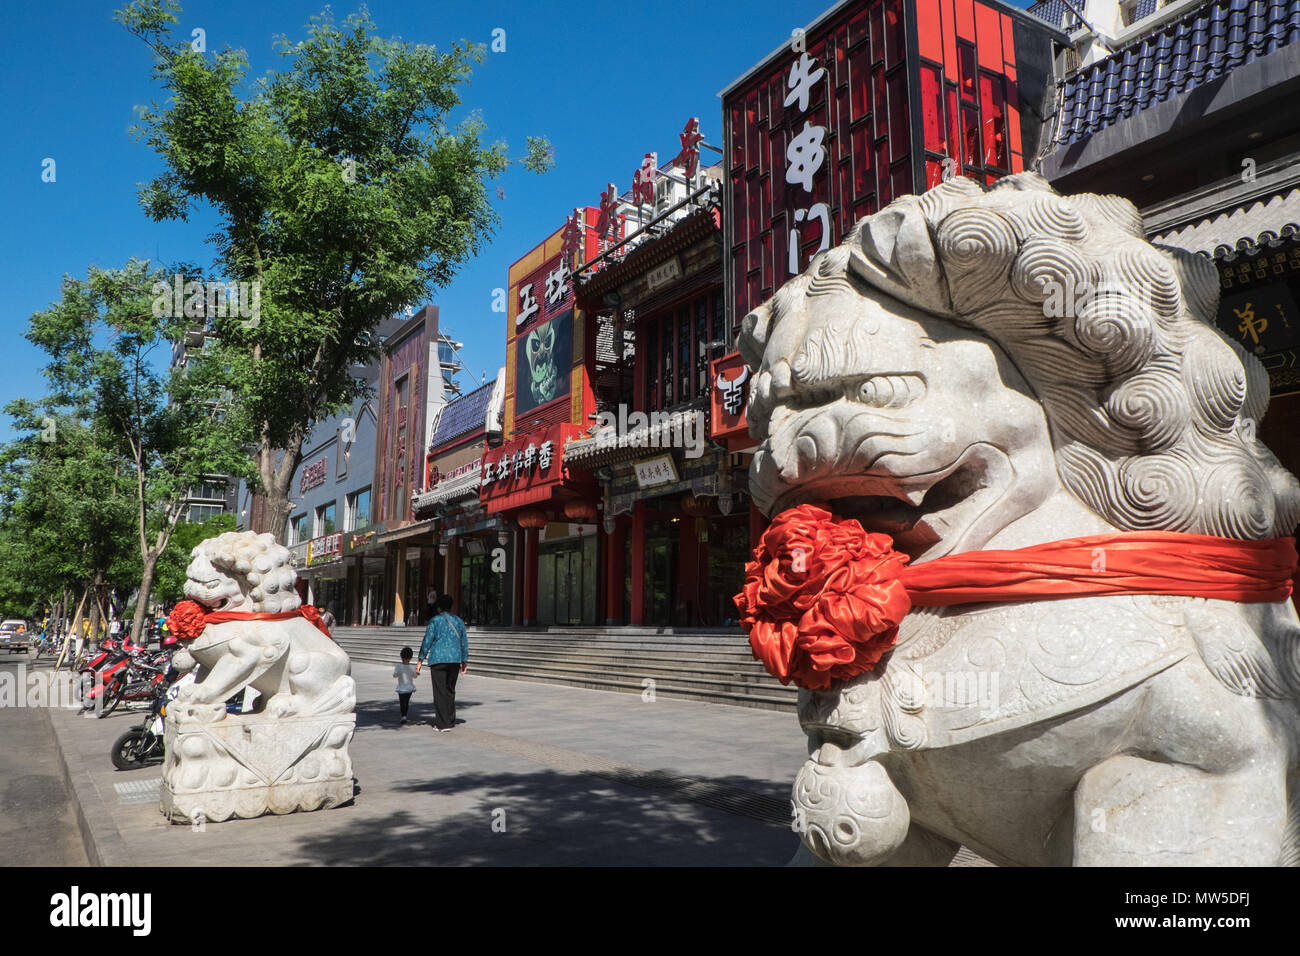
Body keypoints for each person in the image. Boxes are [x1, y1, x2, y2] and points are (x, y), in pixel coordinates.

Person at [415, 593, 467, 732]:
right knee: (450, 690)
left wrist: (420, 659)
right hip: (455, 659)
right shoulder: (459, 621)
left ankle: (442, 724)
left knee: (440, 691)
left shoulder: (435, 621)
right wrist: (464, 660)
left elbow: (427, 640)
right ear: (451, 605)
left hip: (438, 659)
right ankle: (450, 719)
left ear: (439, 607)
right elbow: (464, 642)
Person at [393, 647, 416, 725]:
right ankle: (405, 715)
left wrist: (398, 672)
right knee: (406, 702)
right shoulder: (412, 667)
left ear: (401, 657)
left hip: (401, 688)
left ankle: (403, 716)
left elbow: (395, 675)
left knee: (402, 702)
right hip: (409, 687)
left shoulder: (398, 666)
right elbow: (415, 676)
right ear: (411, 657)